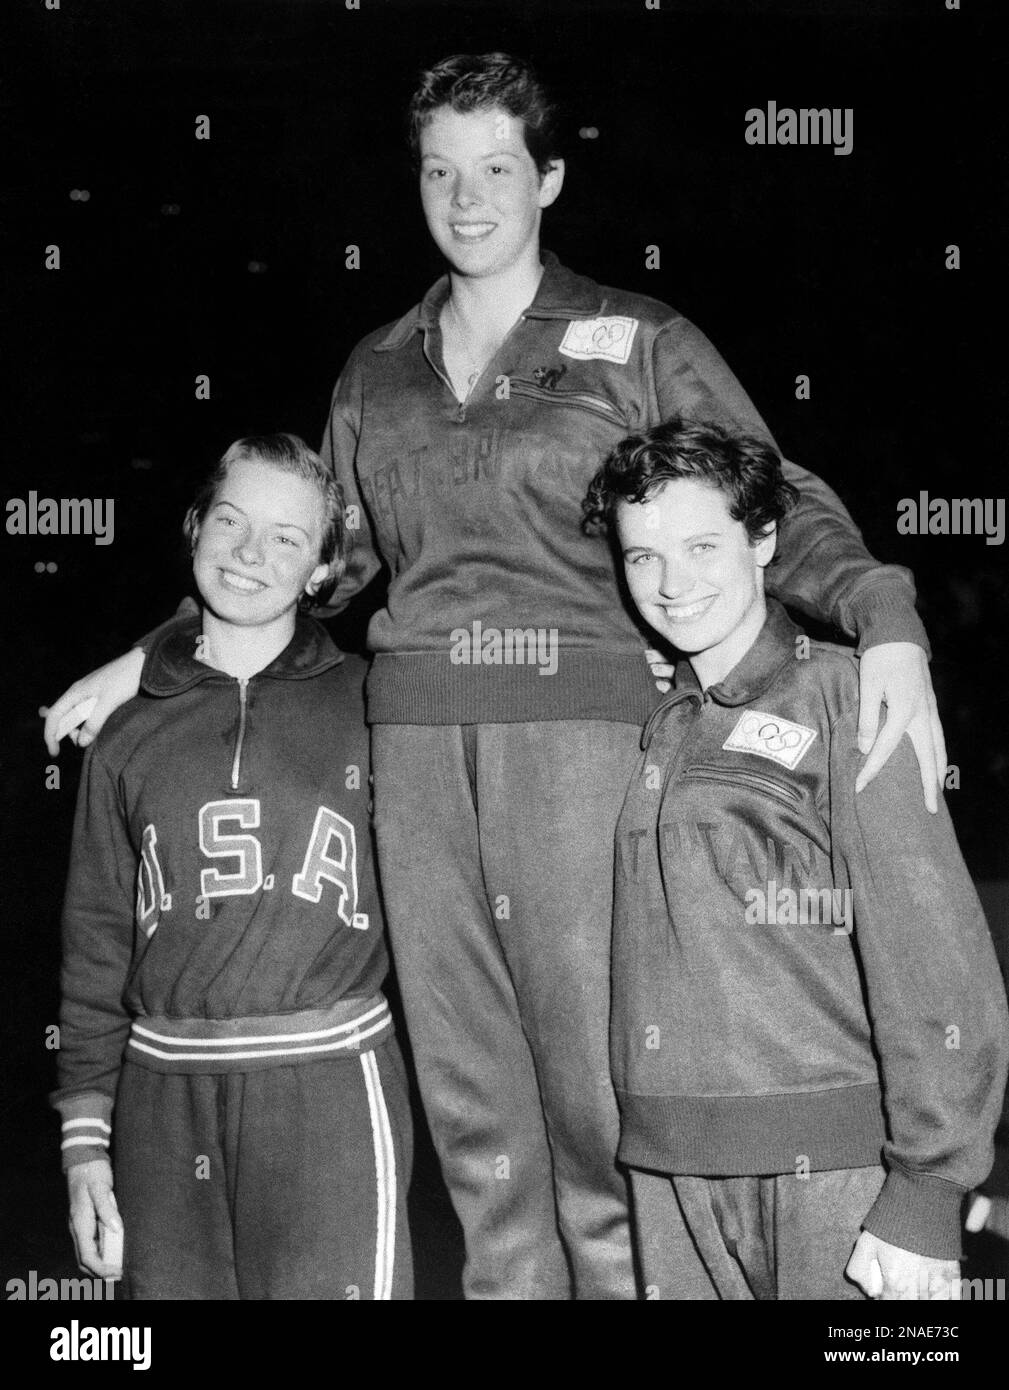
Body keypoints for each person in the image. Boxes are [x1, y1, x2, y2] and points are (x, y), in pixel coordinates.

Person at [44, 54, 948, 1300]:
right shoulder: (376, 366)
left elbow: (770, 495)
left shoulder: (635, 339)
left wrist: (884, 612)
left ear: (550, 180)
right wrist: (143, 655)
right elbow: (315, 565)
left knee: (596, 1116)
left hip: (581, 755)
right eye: (440, 171)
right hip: (413, 763)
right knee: (479, 1132)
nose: (467, 198)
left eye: (497, 170)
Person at [583, 418, 1009, 1300]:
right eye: (641, 558)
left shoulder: (847, 694)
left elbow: (934, 953)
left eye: (702, 545)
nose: (671, 584)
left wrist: (929, 1188)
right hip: (666, 1171)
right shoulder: (658, 718)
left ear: (765, 538)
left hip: (835, 1175)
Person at [51, 434, 412, 1300]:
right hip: (160, 1092)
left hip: (327, 1080)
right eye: (230, 521)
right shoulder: (125, 732)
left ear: (325, 570)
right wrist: (83, 1143)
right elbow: (96, 946)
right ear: (193, 528)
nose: (250, 553)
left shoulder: (379, 704)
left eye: (287, 538)